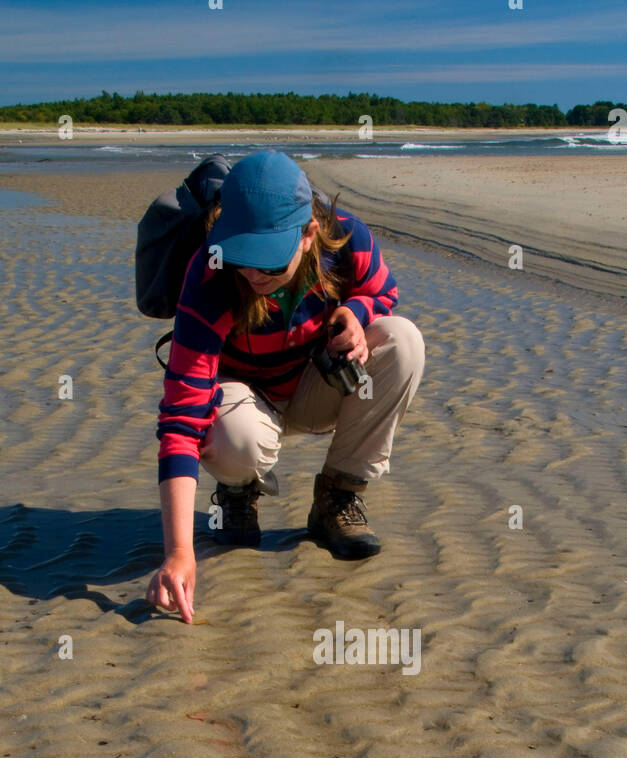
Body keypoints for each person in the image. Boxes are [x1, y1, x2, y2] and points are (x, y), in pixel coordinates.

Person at [146, 150, 425, 624]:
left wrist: (356, 315)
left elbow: (384, 292)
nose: (254, 275)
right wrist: (178, 552)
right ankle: (237, 491)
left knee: (402, 340)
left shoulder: (347, 238)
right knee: (233, 438)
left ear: (309, 233)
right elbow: (181, 416)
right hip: (243, 402)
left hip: (317, 387)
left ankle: (337, 495)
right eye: (244, 260)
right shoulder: (211, 271)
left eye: (270, 265)